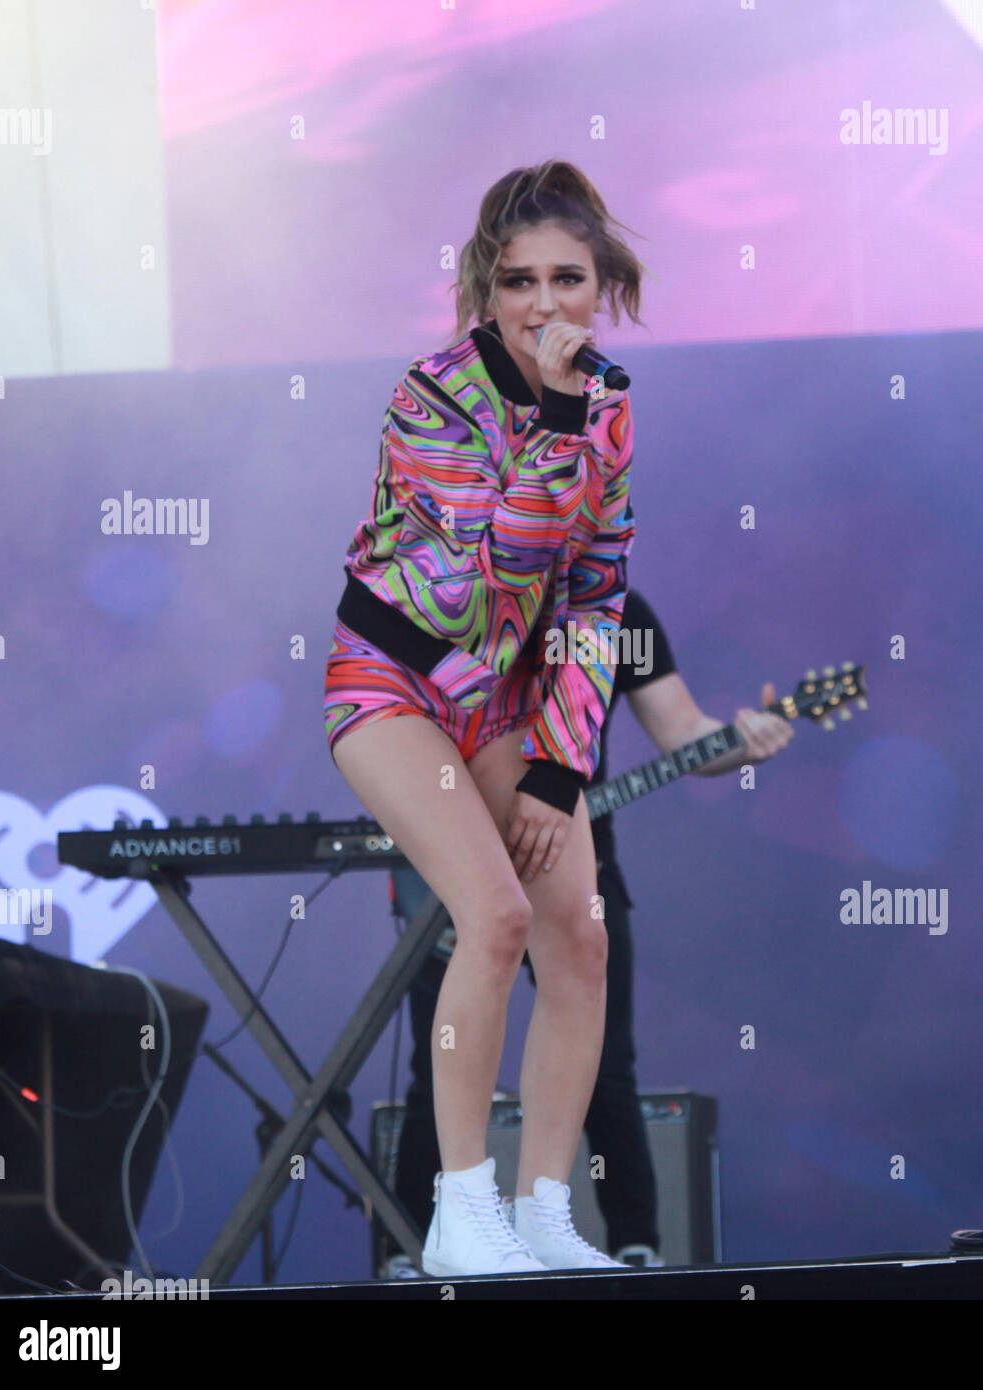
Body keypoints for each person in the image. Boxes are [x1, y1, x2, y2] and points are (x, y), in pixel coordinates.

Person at [324, 160, 648, 1276]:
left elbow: (594, 594)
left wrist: (561, 768)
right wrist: (556, 417)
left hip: (509, 698)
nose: (546, 304)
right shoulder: (431, 394)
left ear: (602, 286)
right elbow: (482, 590)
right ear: (485, 291)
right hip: (396, 680)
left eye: (568, 278)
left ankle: (546, 1211)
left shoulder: (606, 411)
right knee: (497, 916)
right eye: (520, 283)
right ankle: (462, 1212)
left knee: (583, 940)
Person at [382, 587, 795, 1275]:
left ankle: (629, 1241)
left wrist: (744, 741)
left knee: (606, 1062)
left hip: (576, 855)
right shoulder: (457, 597)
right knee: (440, 1064)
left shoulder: (618, 613)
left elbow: (684, 732)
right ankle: (415, 1244)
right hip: (462, 857)